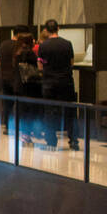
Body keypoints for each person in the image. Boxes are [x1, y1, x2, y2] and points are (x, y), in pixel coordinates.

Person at [37, 19, 79, 150]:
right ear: (58, 28)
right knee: (70, 112)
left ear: (45, 30)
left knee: (49, 112)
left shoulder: (43, 46)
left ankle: (51, 141)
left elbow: (40, 65)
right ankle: (73, 141)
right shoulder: (67, 44)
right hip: (66, 82)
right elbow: (71, 62)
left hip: (50, 83)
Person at [0, 25, 29, 134]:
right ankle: (20, 127)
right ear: (20, 35)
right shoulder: (20, 46)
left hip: (4, 77)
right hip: (17, 79)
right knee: (20, 104)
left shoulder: (3, 44)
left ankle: (5, 125)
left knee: (6, 103)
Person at [13, 29, 43, 145]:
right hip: (29, 87)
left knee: (23, 111)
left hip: (19, 86)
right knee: (30, 112)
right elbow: (37, 67)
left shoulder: (17, 52)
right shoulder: (29, 53)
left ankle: (24, 134)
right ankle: (26, 134)